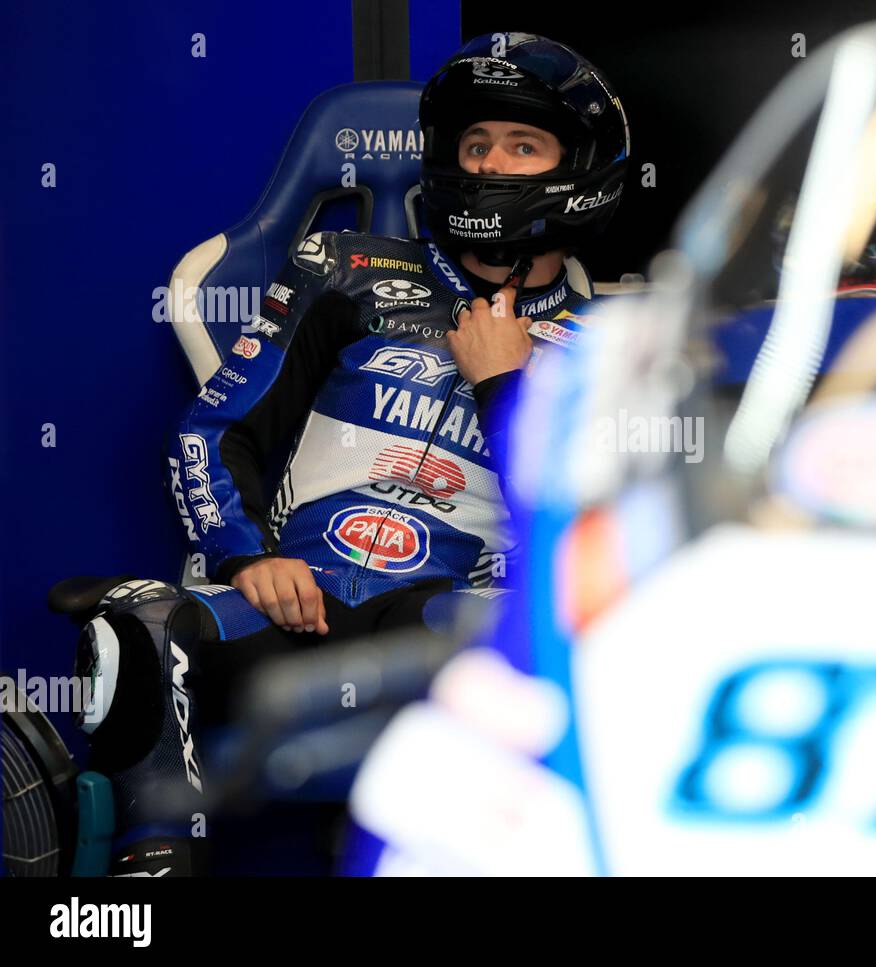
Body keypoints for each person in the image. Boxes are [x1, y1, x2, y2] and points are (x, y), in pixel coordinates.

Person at [72, 31, 629, 876]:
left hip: (444, 631)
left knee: (508, 660)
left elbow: (600, 540)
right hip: (297, 606)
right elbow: (213, 432)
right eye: (474, 142)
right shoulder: (347, 271)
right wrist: (244, 558)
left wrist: (507, 387)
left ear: (576, 168)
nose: (487, 163)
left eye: (521, 145)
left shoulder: (614, 346)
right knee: (136, 630)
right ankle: (150, 887)